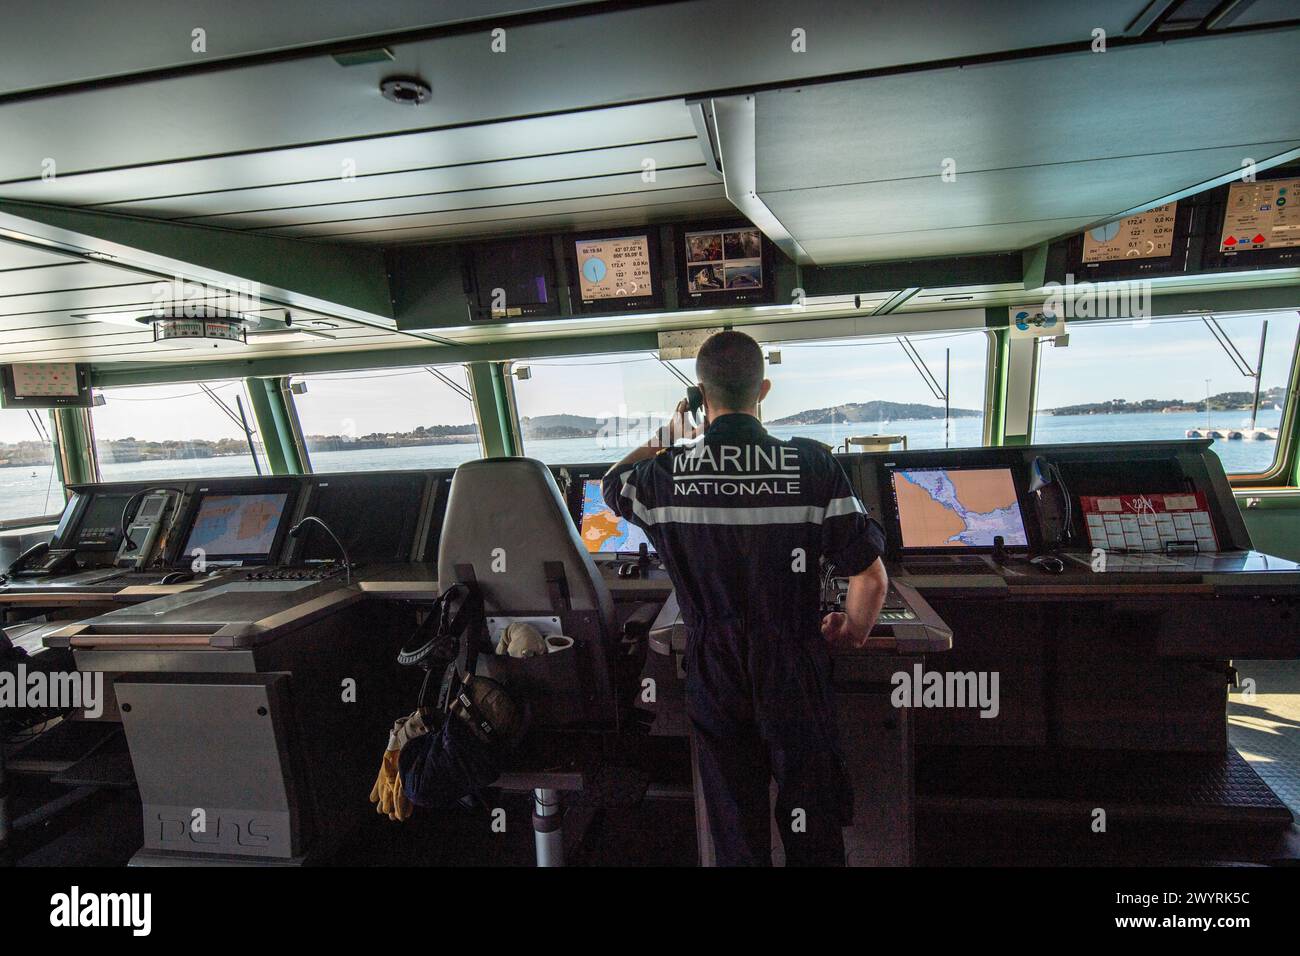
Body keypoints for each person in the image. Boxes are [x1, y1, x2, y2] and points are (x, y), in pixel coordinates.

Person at [603, 330, 888, 865]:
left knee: (736, 823)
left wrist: (670, 432)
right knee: (813, 818)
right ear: (765, 390)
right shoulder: (813, 465)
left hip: (714, 664)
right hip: (794, 664)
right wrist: (852, 631)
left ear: (697, 396)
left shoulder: (666, 474)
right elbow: (871, 578)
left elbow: (611, 483)